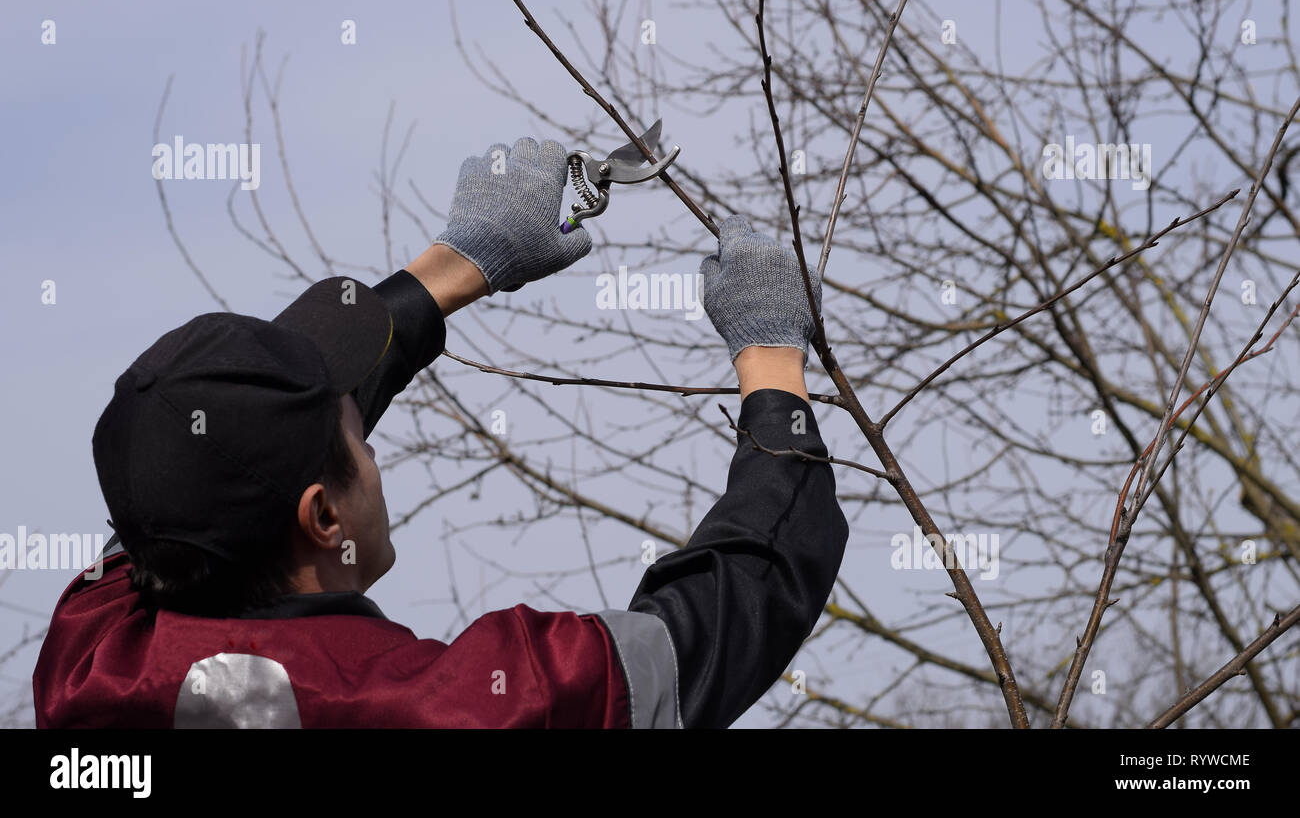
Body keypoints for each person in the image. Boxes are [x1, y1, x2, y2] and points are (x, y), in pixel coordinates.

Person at [33, 137, 847, 728]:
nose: (370, 441)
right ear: (322, 517)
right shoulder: (479, 709)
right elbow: (718, 624)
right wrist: (774, 366)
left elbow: (221, 443)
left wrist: (453, 266)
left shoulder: (87, 665)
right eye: (359, 435)